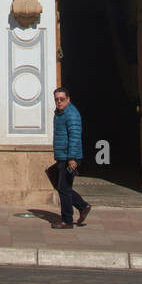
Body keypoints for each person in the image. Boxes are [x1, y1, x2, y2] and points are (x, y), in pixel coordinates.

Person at [51, 87, 92, 229]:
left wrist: (72, 158)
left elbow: (74, 137)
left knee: (64, 188)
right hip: (62, 156)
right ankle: (83, 206)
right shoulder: (60, 113)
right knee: (63, 187)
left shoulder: (71, 114)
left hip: (69, 157)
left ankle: (67, 221)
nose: (59, 101)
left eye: (62, 99)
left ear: (68, 99)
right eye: (56, 99)